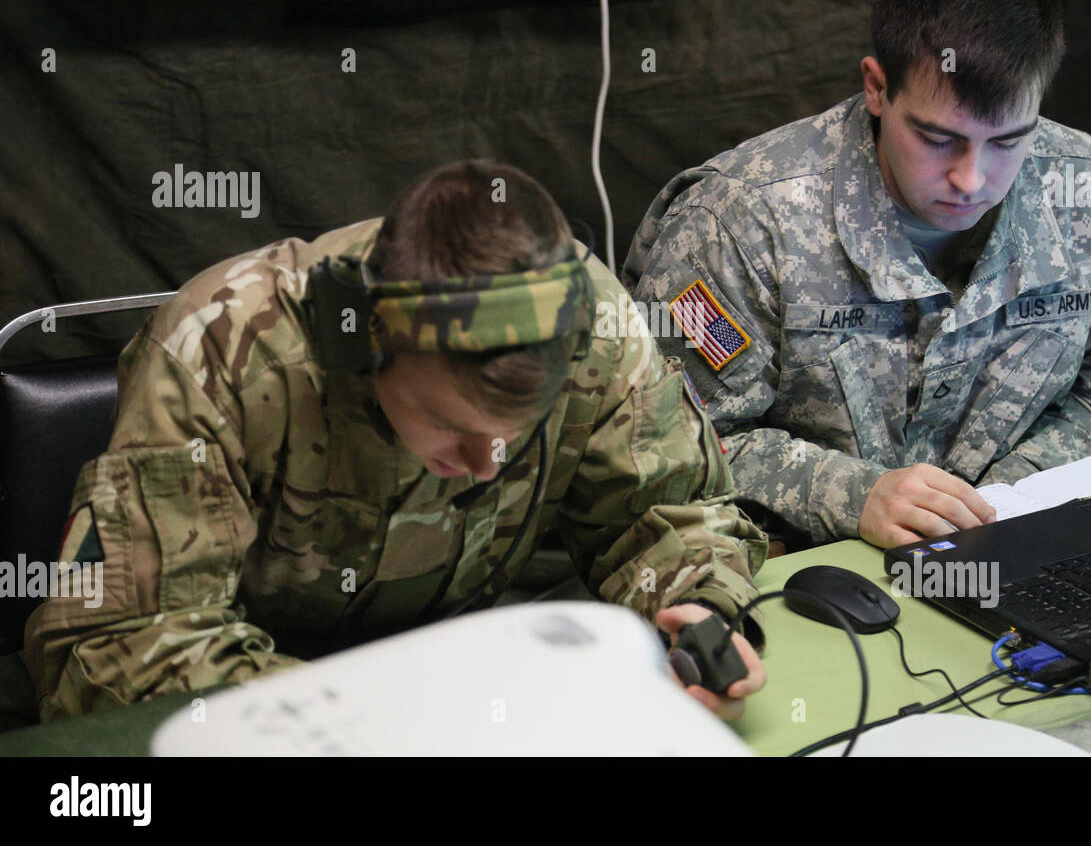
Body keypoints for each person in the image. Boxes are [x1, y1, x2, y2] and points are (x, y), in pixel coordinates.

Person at [24, 159, 768, 722]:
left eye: (519, 429)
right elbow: (119, 645)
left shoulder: (594, 323)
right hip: (277, 701)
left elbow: (665, 516)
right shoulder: (221, 351)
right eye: (451, 426)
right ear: (366, 347)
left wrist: (694, 603)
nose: (488, 464)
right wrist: (375, 717)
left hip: (479, 686)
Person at [622, 0, 1091, 552]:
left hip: (1013, 558)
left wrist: (988, 510)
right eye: (938, 138)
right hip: (795, 578)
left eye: (1008, 141)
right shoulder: (741, 222)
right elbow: (662, 447)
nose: (971, 179)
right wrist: (848, 494)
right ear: (877, 88)